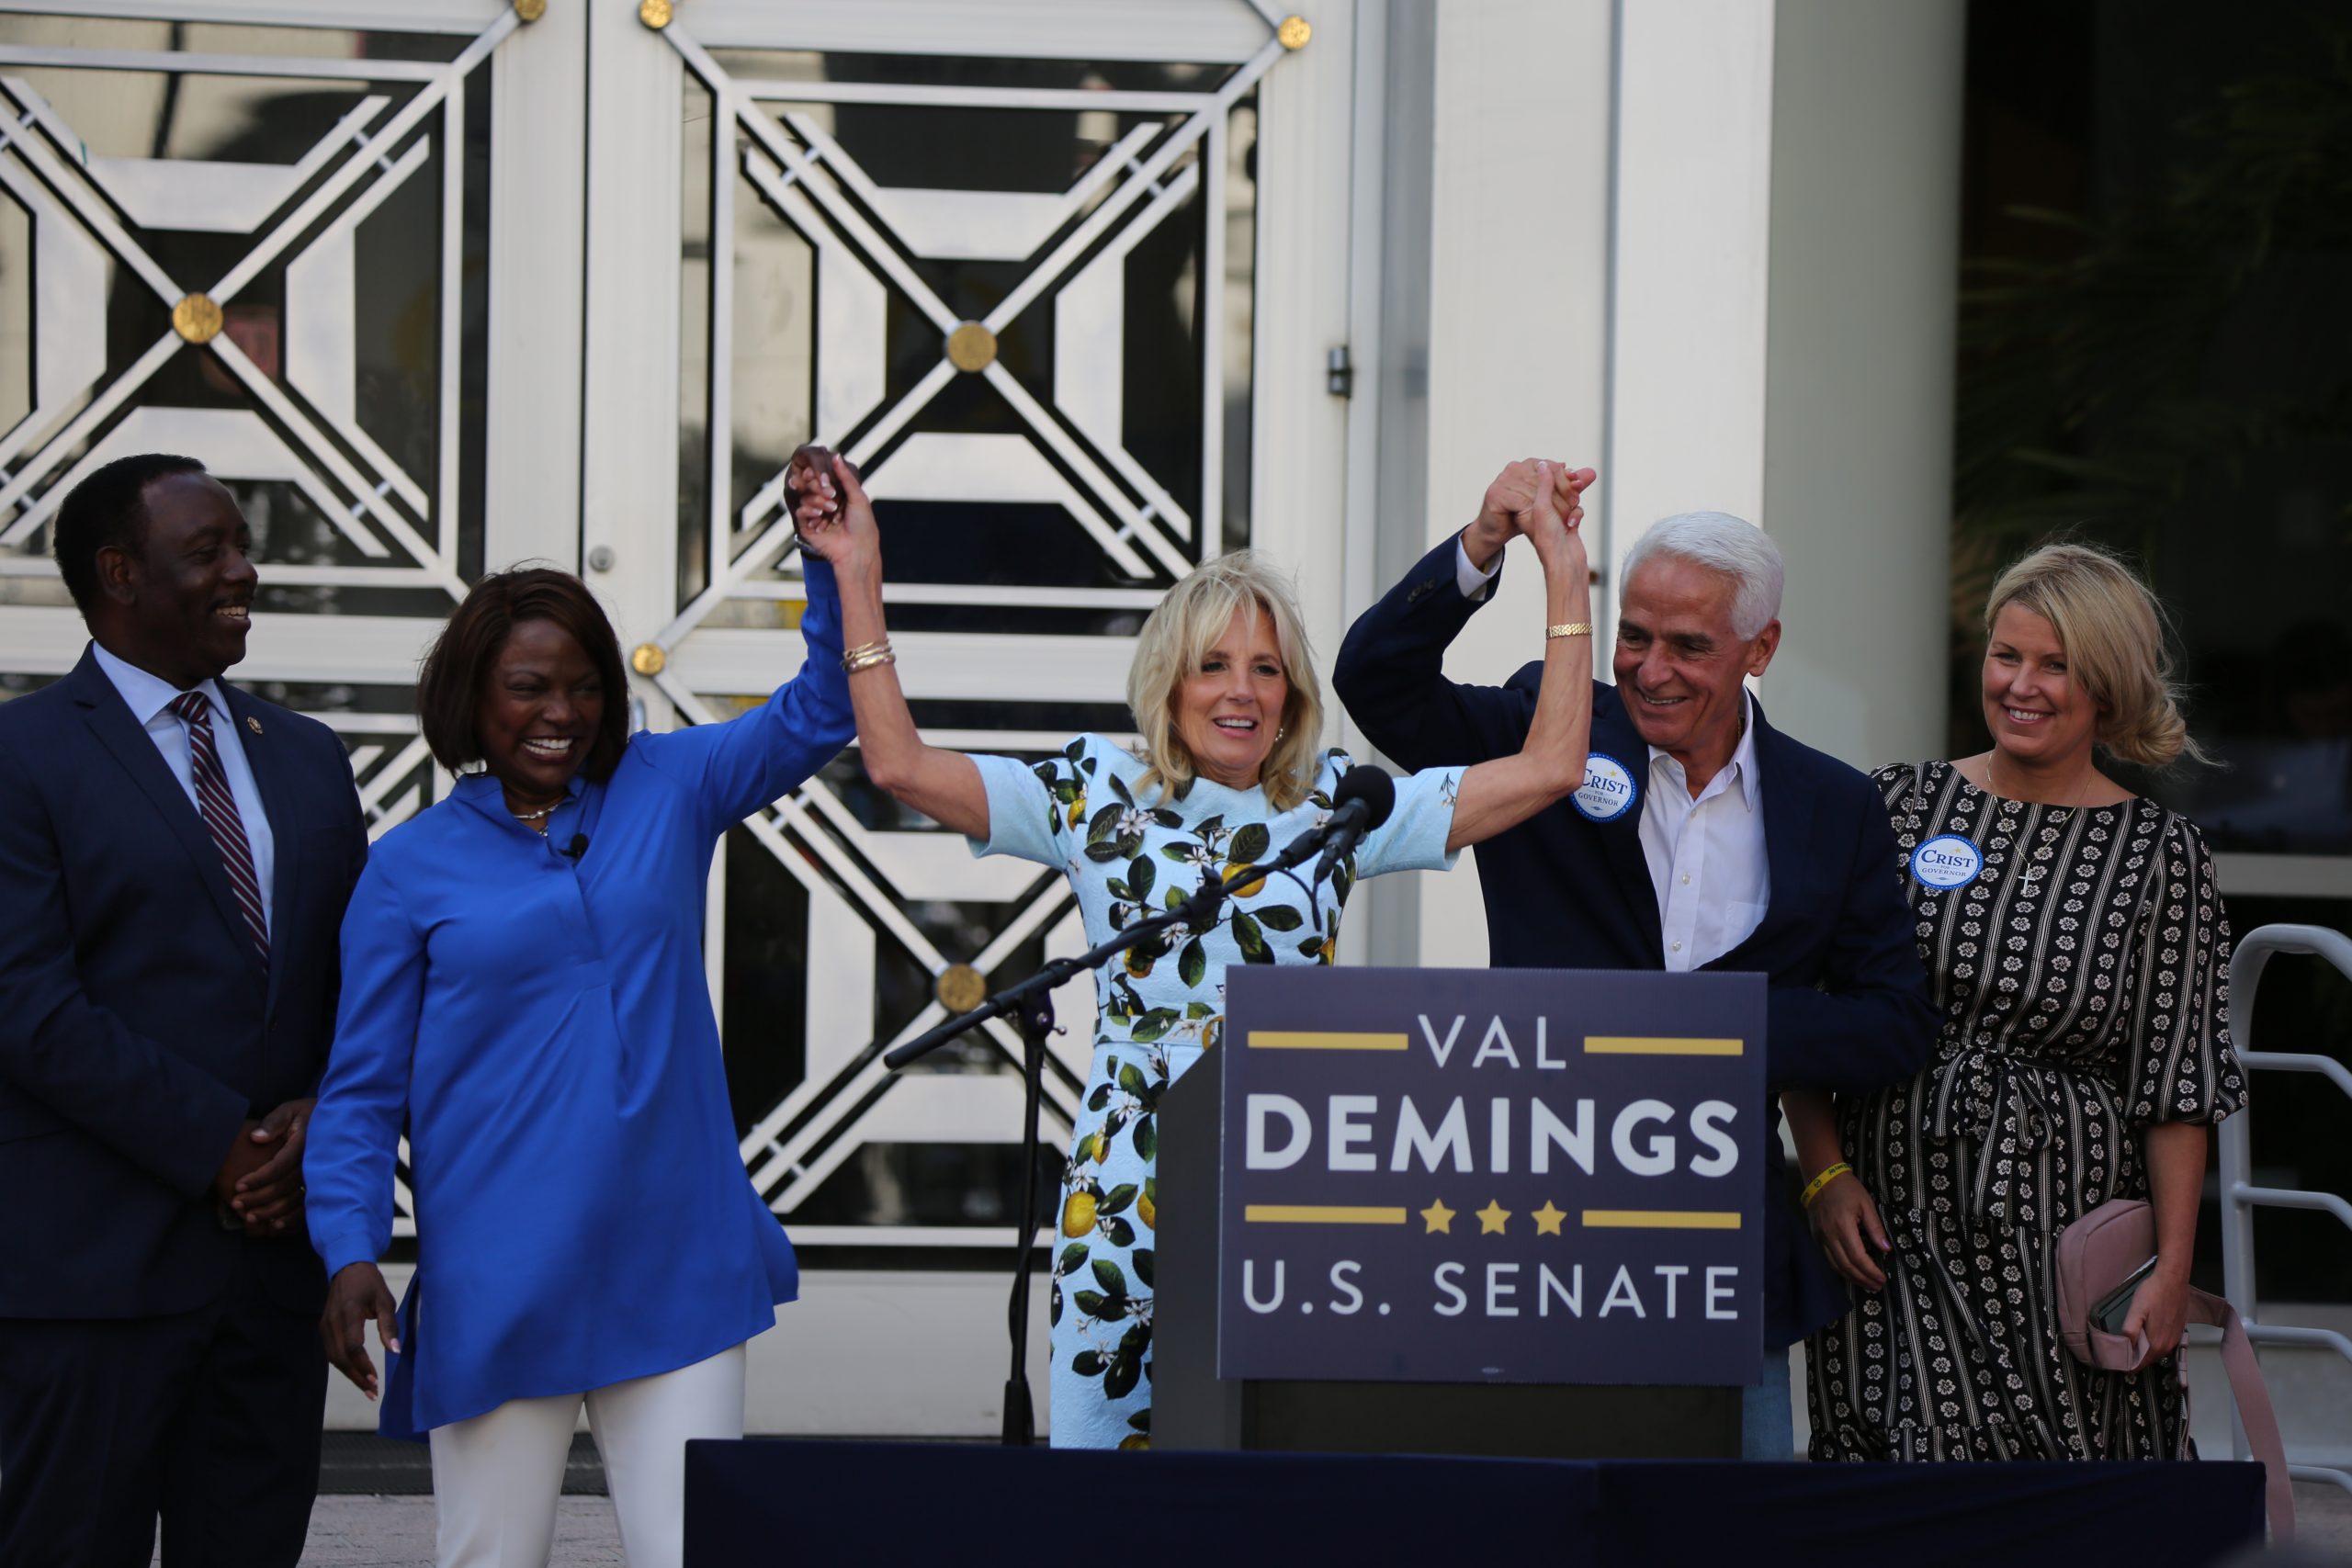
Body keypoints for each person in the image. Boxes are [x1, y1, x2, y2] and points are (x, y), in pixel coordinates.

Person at [789, 445, 1597, 1449]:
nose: (1239, 691)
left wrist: (1563, 571)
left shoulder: (1338, 804)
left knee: (1276, 1482)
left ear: (1292, 692)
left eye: (1265, 668)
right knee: (1106, 1489)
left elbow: (1553, 765)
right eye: (1212, 665)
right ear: (1169, 681)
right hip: (1126, 1194)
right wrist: (857, 571)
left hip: (1294, 1195)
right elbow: (899, 765)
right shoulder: (1093, 792)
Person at [300, 501, 868, 1565]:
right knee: (490, 1556)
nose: (560, 712)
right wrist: (348, 1249)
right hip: (499, 1279)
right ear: (471, 697)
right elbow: (362, 1091)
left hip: (678, 1262)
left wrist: (834, 562)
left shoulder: (667, 786)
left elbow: (824, 710)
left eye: (584, 685)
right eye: (528, 687)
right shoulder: (407, 868)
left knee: (695, 1550)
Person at [1333, 502, 1937, 1460]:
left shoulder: (1832, 803)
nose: (1651, 671)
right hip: (1535, 1237)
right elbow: (1376, 681)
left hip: (1722, 1253)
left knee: (1727, 1523)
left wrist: (1713, 1031)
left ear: (1761, 648)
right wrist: (1483, 546)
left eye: (1689, 646)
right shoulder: (1548, 734)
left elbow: (1894, 1022)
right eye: (1635, 637)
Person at [1790, 542, 2246, 1461]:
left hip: (2067, 1244)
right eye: (2007, 655)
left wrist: (2171, 1270)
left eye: (2055, 664)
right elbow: (1809, 1002)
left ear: (2105, 685)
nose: (2021, 685)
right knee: (1898, 1479)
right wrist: (1824, 1175)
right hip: (1892, 1228)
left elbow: (2176, 1087)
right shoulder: (1896, 806)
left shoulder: (2162, 855)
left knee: (2071, 1490)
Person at [0, 453, 370, 1565]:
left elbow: (359, 979)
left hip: (269, 1280)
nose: (243, 571)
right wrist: (220, 1147)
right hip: (90, 1282)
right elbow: (26, 1004)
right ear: (119, 573)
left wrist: (325, 1114)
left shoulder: (306, 757)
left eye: (241, 547)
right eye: (209, 551)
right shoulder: (20, 756)